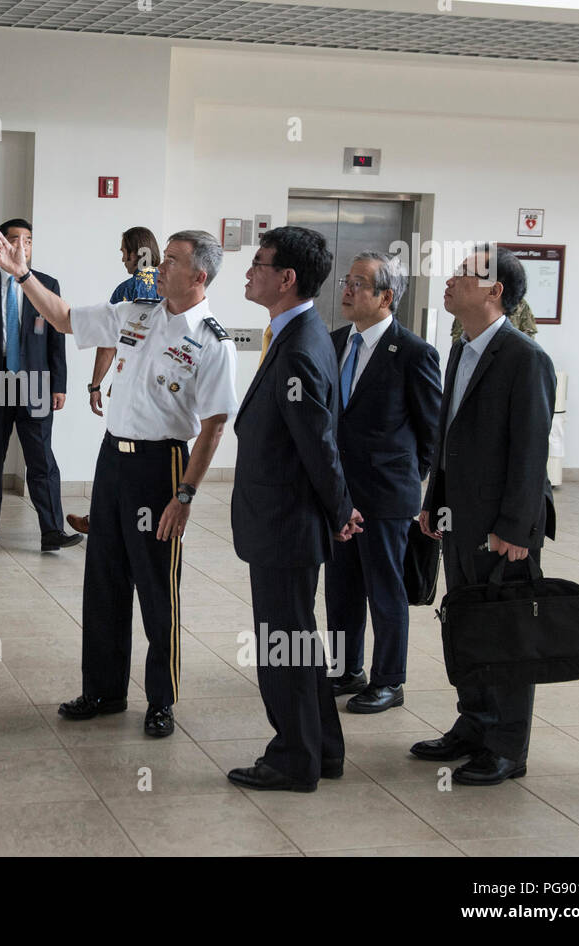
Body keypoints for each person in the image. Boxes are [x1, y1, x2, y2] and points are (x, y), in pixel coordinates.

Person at [0, 226, 237, 737]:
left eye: (171, 260)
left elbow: (213, 426)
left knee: (156, 587)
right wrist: (24, 275)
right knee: (103, 580)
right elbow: (61, 317)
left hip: (160, 466)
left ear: (199, 274)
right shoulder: (135, 313)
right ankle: (103, 689)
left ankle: (161, 700)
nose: (159, 266)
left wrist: (184, 495)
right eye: (161, 257)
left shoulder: (212, 341)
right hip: (113, 460)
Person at [412, 245, 556, 785]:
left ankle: (506, 746)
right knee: (469, 625)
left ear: (495, 291)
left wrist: (516, 529)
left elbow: (530, 453)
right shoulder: (461, 349)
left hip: (503, 528)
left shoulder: (525, 358)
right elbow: (449, 437)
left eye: (462, 274)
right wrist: (434, 501)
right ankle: (473, 723)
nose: (449, 281)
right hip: (458, 519)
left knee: (507, 633)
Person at [228, 226, 363, 793]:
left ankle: (292, 759)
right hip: (288, 521)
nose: (248, 271)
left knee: (282, 646)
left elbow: (318, 443)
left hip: (285, 525)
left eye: (258, 263)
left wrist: (339, 510)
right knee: (300, 641)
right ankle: (322, 749)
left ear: (286, 278)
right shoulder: (299, 335)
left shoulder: (303, 346)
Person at [325, 252, 442, 714]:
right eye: (346, 282)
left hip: (387, 494)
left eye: (358, 283)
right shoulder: (333, 342)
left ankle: (389, 680)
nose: (347, 290)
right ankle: (346, 669)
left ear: (386, 297)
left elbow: (430, 430)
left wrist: (408, 480)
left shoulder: (413, 352)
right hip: (339, 494)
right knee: (340, 586)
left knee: (384, 588)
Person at [0, 218, 81, 552]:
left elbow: (56, 338)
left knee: (41, 460)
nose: (22, 246)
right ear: (2, 246)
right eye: (15, 239)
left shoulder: (46, 284)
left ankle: (52, 531)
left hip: (35, 383)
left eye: (29, 240)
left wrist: (59, 384)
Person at [68, 226, 163, 536]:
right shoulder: (172, 286)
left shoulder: (128, 289)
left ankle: (104, 522)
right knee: (151, 463)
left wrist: (95, 385)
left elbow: (108, 342)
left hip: (130, 391)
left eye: (124, 251)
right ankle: (141, 522)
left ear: (136, 253)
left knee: (118, 458)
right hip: (164, 394)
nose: (122, 257)